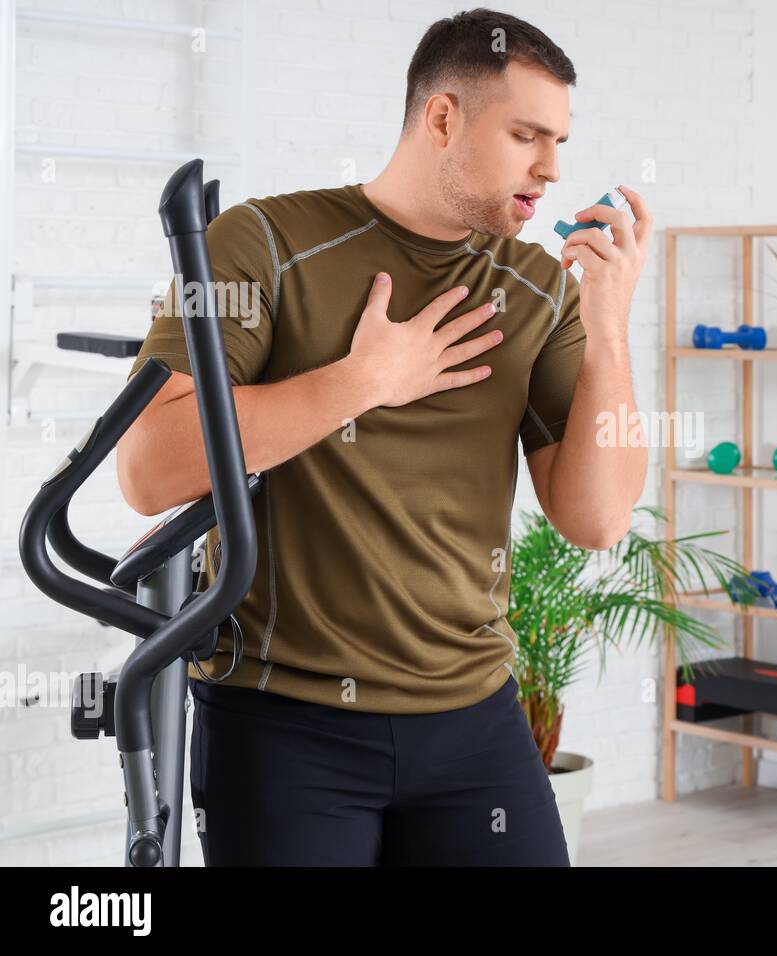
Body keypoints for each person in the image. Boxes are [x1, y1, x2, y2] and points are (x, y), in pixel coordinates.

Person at [117, 7, 651, 866]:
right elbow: (148, 469)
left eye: (559, 141)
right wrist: (362, 383)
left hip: (474, 718)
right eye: (526, 135)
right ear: (442, 117)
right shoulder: (259, 241)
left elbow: (596, 519)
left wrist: (613, 327)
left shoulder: (539, 291)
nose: (552, 168)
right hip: (284, 724)